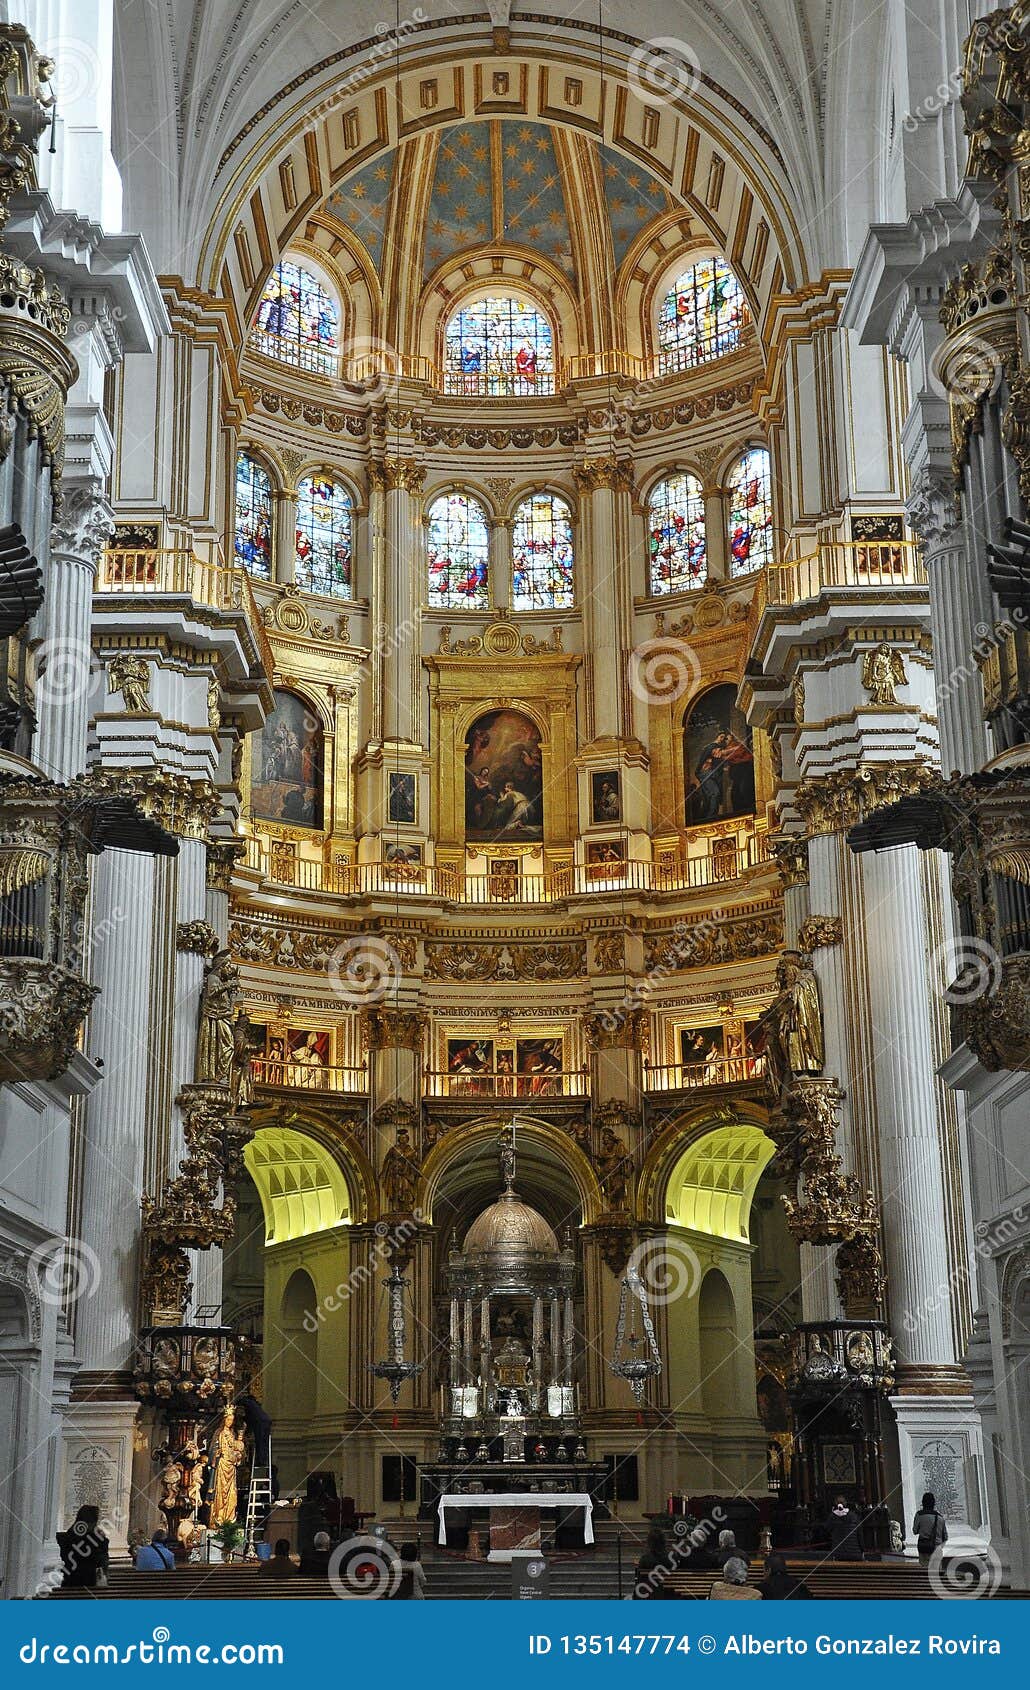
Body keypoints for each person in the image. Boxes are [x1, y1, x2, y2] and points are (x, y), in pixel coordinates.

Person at [56, 1505, 109, 1588]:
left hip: (69, 1579)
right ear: (93, 1520)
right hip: (89, 1580)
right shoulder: (97, 1538)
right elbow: (101, 1560)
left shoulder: (69, 1535)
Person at [912, 1492, 948, 1564]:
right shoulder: (940, 1518)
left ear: (923, 1503)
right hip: (937, 1549)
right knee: (936, 1573)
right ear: (934, 1503)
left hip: (924, 1548)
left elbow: (915, 1531)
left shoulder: (919, 1515)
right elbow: (945, 1537)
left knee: (924, 1571)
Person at [827, 1495, 864, 1561]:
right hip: (855, 1553)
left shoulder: (832, 1517)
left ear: (835, 1503)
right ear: (846, 1503)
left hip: (838, 1554)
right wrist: (862, 1550)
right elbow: (860, 1535)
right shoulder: (854, 1516)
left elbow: (827, 1530)